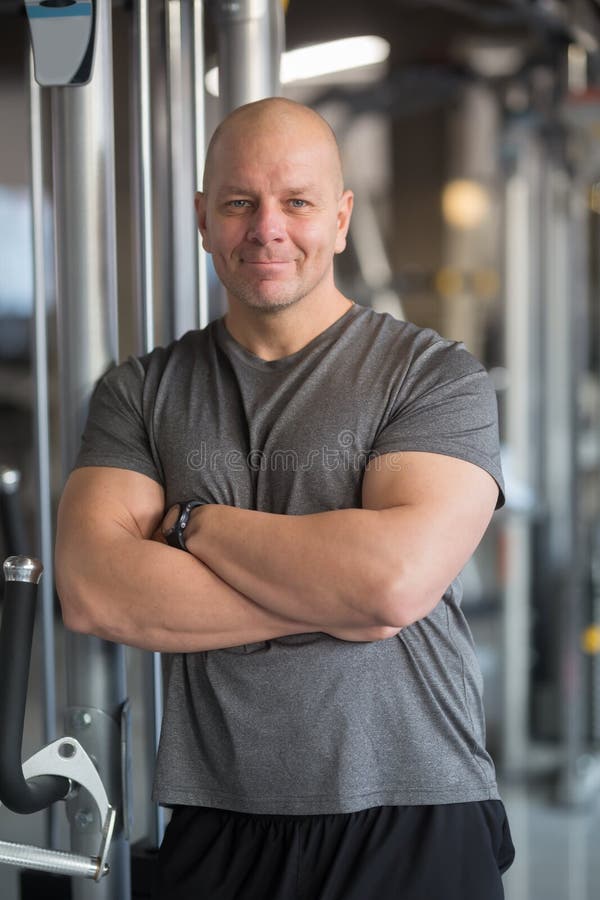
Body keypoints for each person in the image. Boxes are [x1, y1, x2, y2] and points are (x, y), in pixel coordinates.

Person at [55, 97, 515, 899]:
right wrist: (345, 600)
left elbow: (391, 583)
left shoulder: (433, 377)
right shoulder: (140, 393)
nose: (267, 227)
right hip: (218, 815)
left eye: (296, 202)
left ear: (339, 220)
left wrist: (197, 523)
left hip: (415, 802)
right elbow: (94, 591)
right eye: (239, 202)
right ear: (203, 218)